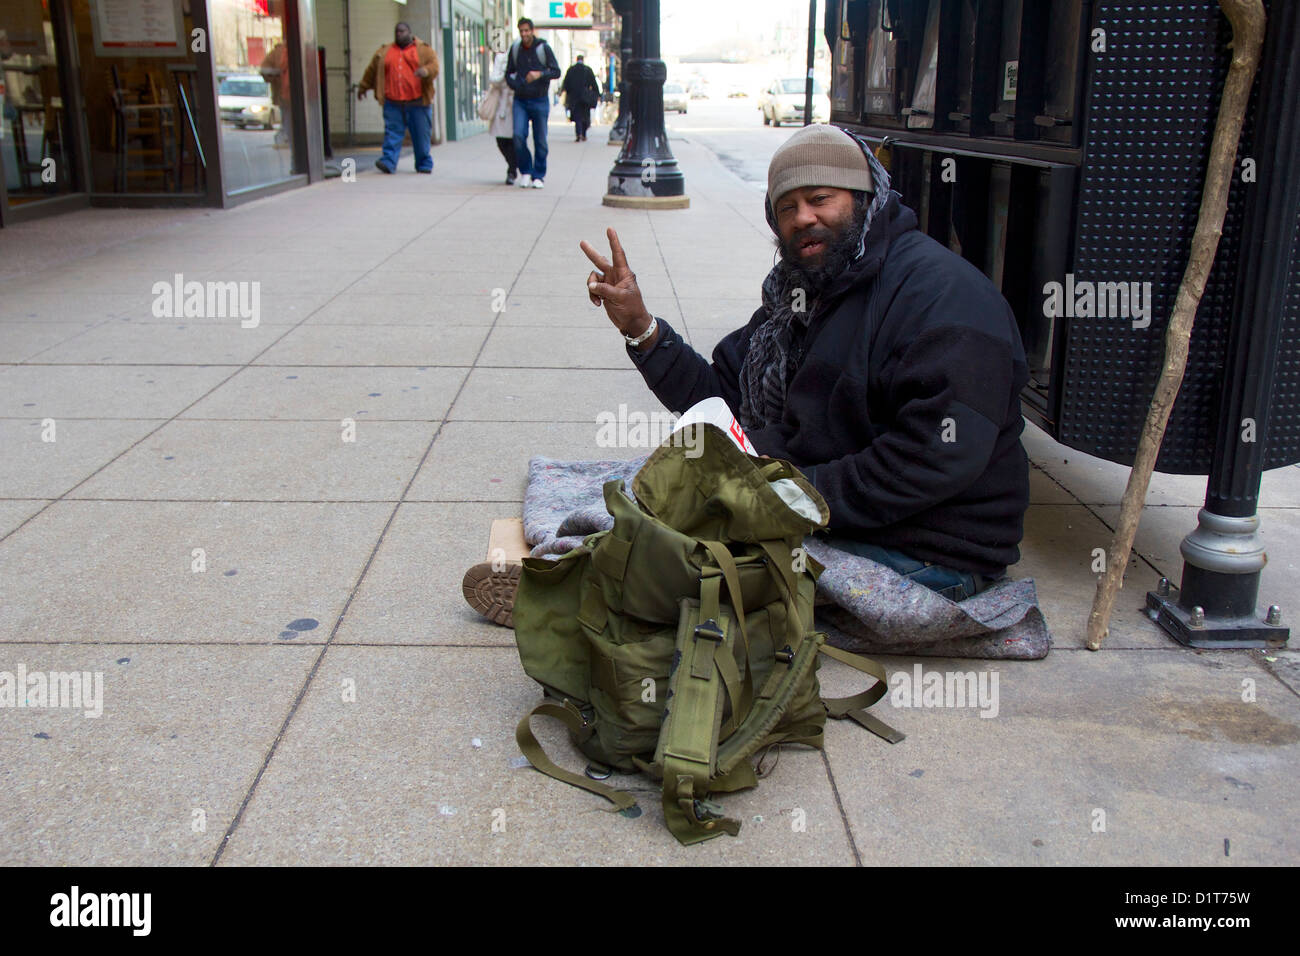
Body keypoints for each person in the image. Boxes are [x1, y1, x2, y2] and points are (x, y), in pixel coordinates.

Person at [580, 124, 1031, 601]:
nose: (803, 219)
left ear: (864, 198)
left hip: (929, 548)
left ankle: (579, 592)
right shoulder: (801, 294)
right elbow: (720, 404)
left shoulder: (940, 295)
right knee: (651, 519)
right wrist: (642, 328)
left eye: (821, 198)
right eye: (787, 208)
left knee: (688, 575)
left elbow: (933, 456)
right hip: (832, 513)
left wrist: (780, 496)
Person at [357, 22, 439, 174]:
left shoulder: (423, 50)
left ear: (410, 32)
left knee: (421, 135)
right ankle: (388, 161)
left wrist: (426, 71)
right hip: (392, 102)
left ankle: (424, 163)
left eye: (402, 31)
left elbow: (434, 66)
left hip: (418, 102)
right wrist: (363, 87)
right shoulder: (384, 52)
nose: (399, 34)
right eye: (397, 31)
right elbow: (372, 71)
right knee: (392, 133)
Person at [506, 18, 560, 188]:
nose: (524, 34)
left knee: (540, 139)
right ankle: (526, 171)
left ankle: (539, 175)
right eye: (521, 31)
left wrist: (540, 74)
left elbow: (556, 71)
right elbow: (508, 73)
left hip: (539, 99)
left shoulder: (543, 48)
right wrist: (516, 85)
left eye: (527, 31)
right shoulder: (515, 49)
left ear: (532, 30)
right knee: (518, 136)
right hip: (520, 100)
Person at [487, 50, 517, 184]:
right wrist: (505, 76)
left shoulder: (520, 58)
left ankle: (512, 169)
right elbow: (494, 79)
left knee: (515, 139)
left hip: (516, 103)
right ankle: (513, 165)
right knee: (501, 140)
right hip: (501, 104)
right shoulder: (501, 59)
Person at [561, 54, 601, 142]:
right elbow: (594, 84)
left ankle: (578, 133)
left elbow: (566, 83)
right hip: (585, 97)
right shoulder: (587, 70)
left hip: (574, 96)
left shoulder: (571, 70)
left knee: (577, 115)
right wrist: (597, 94)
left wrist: (568, 92)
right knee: (585, 115)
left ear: (576, 59)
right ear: (583, 60)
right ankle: (583, 133)